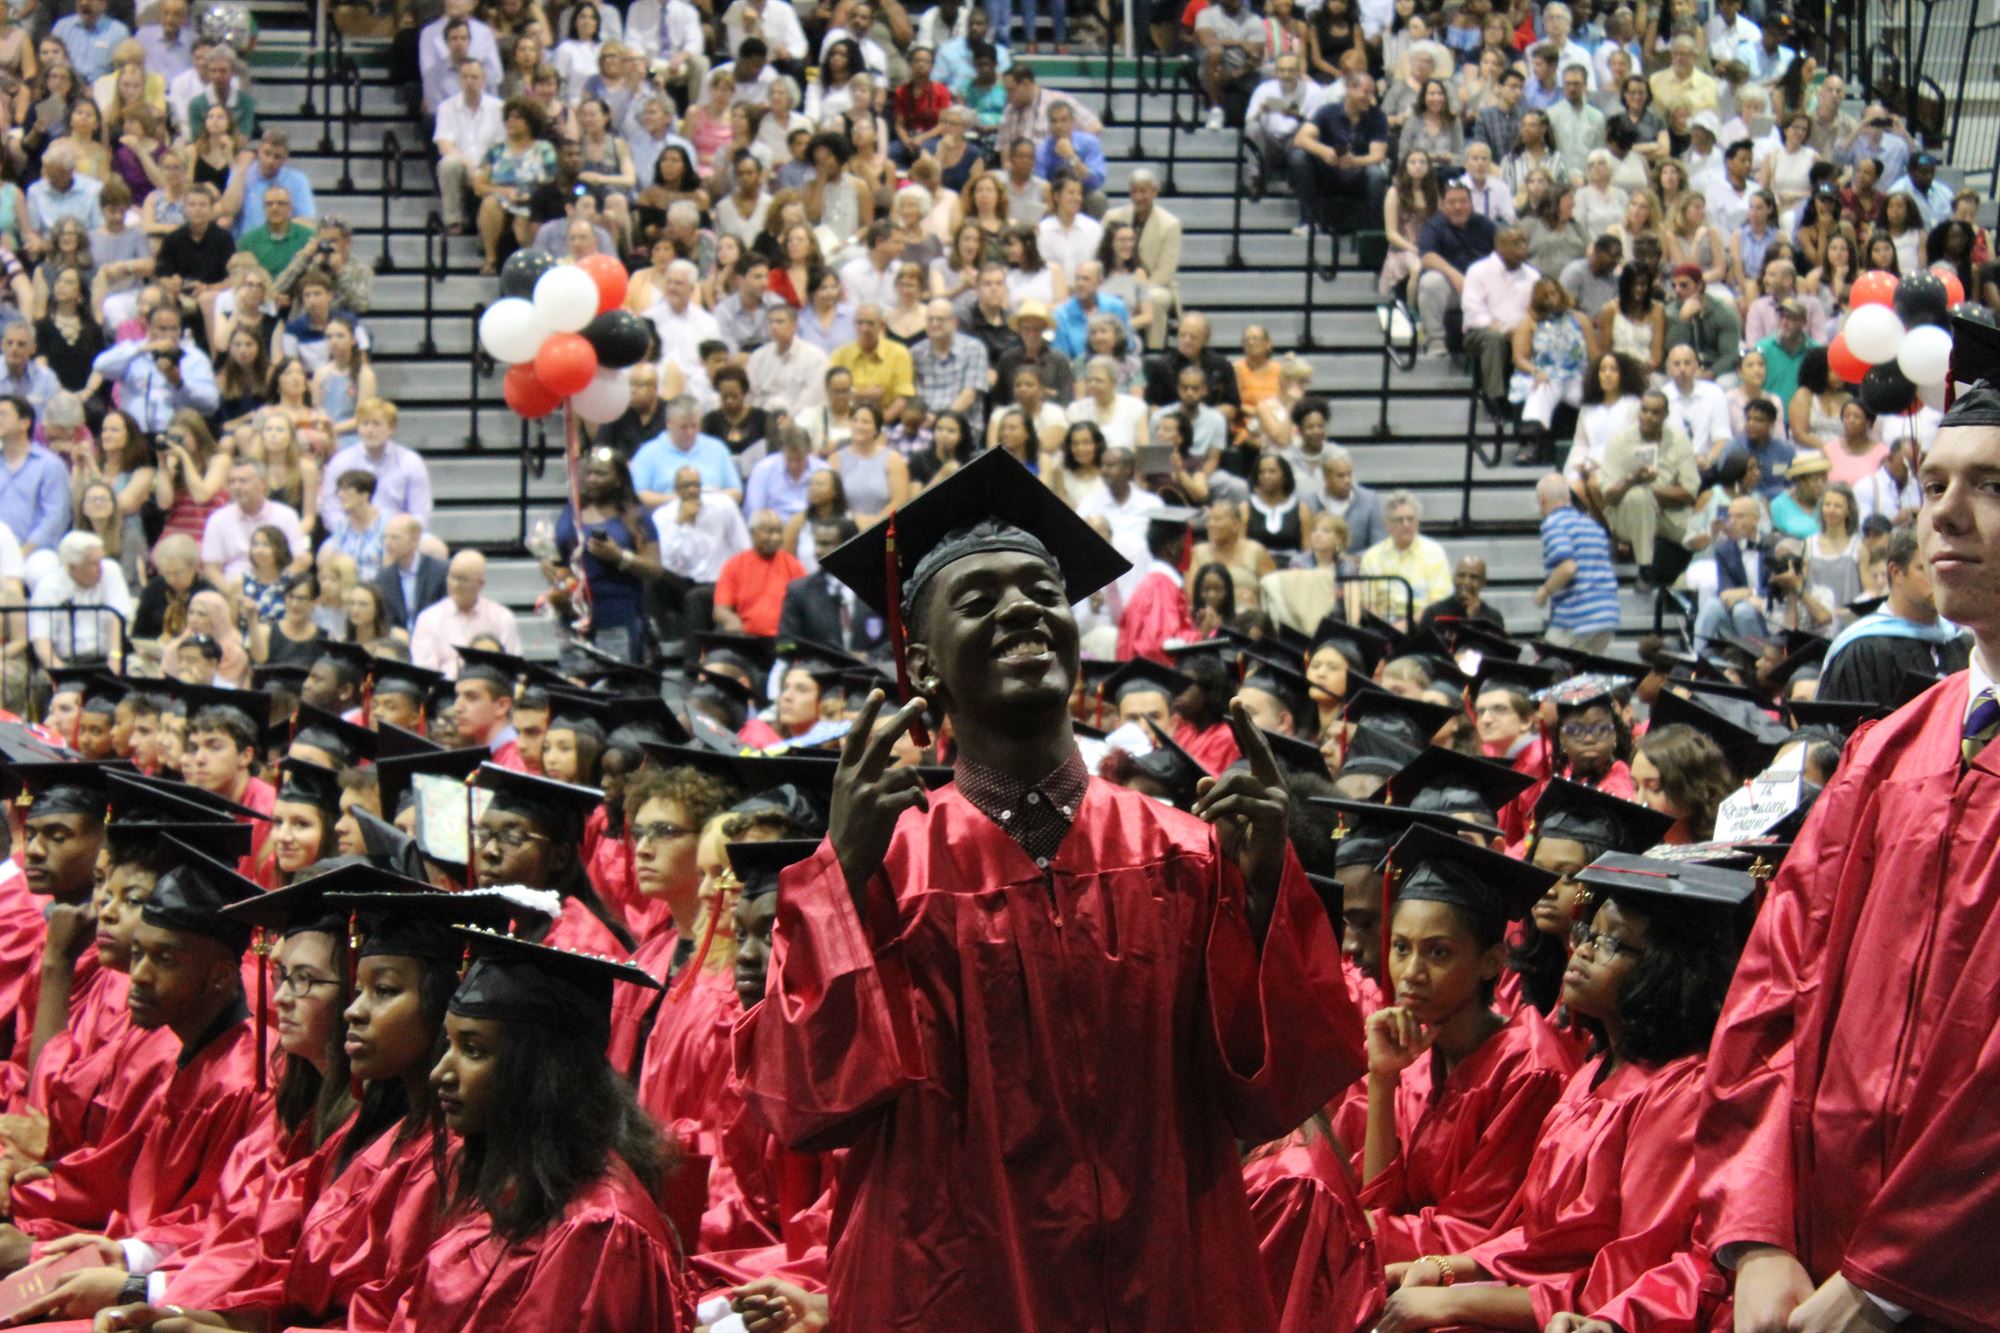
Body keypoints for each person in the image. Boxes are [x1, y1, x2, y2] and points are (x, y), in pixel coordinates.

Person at [740, 447, 1361, 1325]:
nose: (1023, 609)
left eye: (1040, 590)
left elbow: (1277, 1093)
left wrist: (1263, 899)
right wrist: (838, 874)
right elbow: (804, 1106)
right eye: (980, 598)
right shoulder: (884, 874)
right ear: (921, 668)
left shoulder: (1185, 856)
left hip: (1161, 1281)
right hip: (953, 1291)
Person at [388, 931, 684, 1331]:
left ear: (541, 1073)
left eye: (473, 1050)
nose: (441, 1072)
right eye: (449, 1044)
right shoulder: (513, 1181)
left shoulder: (599, 1230)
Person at [1355, 824, 1581, 1263]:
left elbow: (1474, 1232)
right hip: (1412, 1266)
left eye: (1438, 952)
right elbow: (1381, 1202)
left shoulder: (1528, 1069)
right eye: (1401, 947)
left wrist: (1357, 1228)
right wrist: (1382, 1080)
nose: (1411, 972)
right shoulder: (1419, 1052)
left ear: (1491, 961)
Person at [1816, 523, 1968, 702]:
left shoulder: (1958, 642)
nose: (1940, 577)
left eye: (1945, 566)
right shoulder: (1863, 648)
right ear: (1896, 572)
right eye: (1926, 568)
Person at [1598, 390, 1699, 579]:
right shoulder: (1619, 441)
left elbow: (1689, 492)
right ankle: (1645, 569)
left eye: (1655, 412)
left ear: (1666, 415)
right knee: (1638, 496)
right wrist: (1632, 480)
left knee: (1704, 537)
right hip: (1627, 515)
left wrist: (1651, 491)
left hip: (1670, 514)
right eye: (1644, 411)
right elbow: (1609, 496)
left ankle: (1691, 586)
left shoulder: (1679, 441)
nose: (1648, 417)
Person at [1288, 71, 1390, 236]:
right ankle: (1308, 221)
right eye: (1365, 92)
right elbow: (1300, 138)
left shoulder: (1378, 117)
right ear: (1349, 88)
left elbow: (1378, 155)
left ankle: (1373, 232)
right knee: (1298, 156)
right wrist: (1324, 151)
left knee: (1376, 174)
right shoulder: (1328, 111)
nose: (1370, 98)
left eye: (1372, 93)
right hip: (1329, 170)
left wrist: (1354, 161)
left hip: (1358, 173)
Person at [316, 399, 432, 532]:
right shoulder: (341, 462)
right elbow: (332, 510)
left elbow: (420, 514)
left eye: (376, 424)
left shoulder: (411, 462)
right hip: (352, 532)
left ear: (391, 429)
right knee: (326, 550)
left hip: (398, 535)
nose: (370, 430)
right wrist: (350, 534)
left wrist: (397, 534)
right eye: (364, 424)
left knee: (435, 548)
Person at [1413, 181, 1498, 358]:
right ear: (1443, 204)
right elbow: (1427, 257)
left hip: (1483, 290)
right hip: (1453, 290)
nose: (1458, 207)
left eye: (1463, 201)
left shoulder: (1485, 225)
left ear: (1471, 203)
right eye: (1452, 202)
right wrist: (1456, 276)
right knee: (1431, 281)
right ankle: (1435, 342)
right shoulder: (1434, 225)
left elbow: (1503, 254)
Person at [410, 552, 523, 675]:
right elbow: (423, 668)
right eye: (452, 577)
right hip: (444, 690)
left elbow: (513, 666)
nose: (455, 585)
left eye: (463, 580)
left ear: (480, 584)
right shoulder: (429, 618)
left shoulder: (502, 618)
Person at [1357, 491, 1453, 624]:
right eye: (1399, 520)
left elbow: (1438, 601)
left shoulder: (1434, 552)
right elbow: (1368, 603)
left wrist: (1408, 624)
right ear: (1387, 524)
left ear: (1418, 521)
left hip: (1424, 624)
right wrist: (1385, 627)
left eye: (1411, 518)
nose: (1406, 524)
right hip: (1385, 625)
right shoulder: (1372, 556)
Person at [714, 509, 805, 636]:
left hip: (784, 639)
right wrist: (731, 619)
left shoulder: (793, 565)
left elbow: (807, 604)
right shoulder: (734, 565)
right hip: (747, 639)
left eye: (779, 532)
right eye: (769, 532)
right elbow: (720, 609)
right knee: (719, 656)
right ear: (752, 533)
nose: (776, 537)